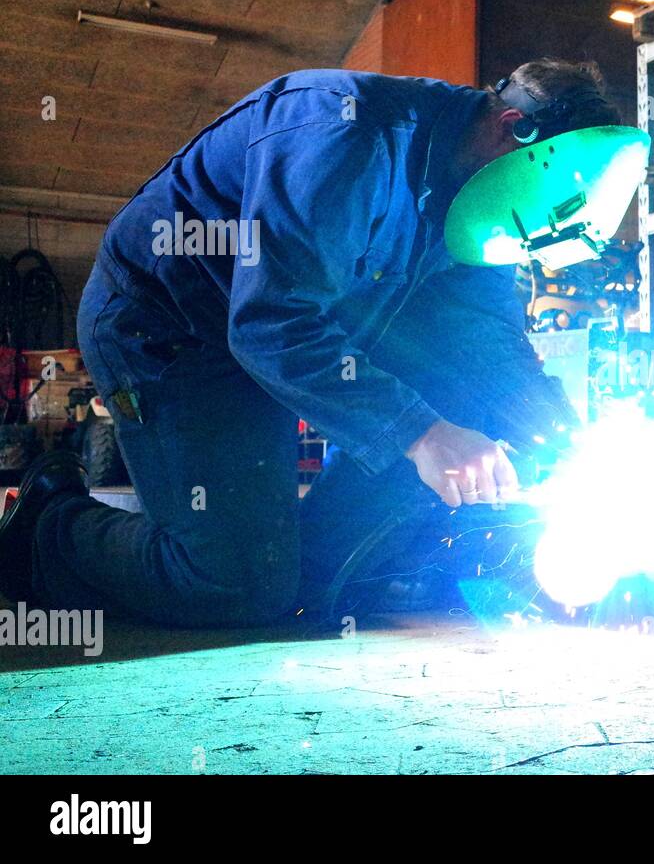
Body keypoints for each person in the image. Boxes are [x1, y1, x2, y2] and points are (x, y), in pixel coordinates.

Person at [0, 59, 617, 626]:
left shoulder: (483, 202)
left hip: (281, 338)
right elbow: (271, 321)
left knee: (317, 584)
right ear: (514, 129)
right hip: (168, 332)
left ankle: (323, 565)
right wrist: (421, 434)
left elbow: (490, 346)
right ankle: (45, 528)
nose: (534, 217)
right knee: (235, 584)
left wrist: (575, 447)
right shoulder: (347, 136)